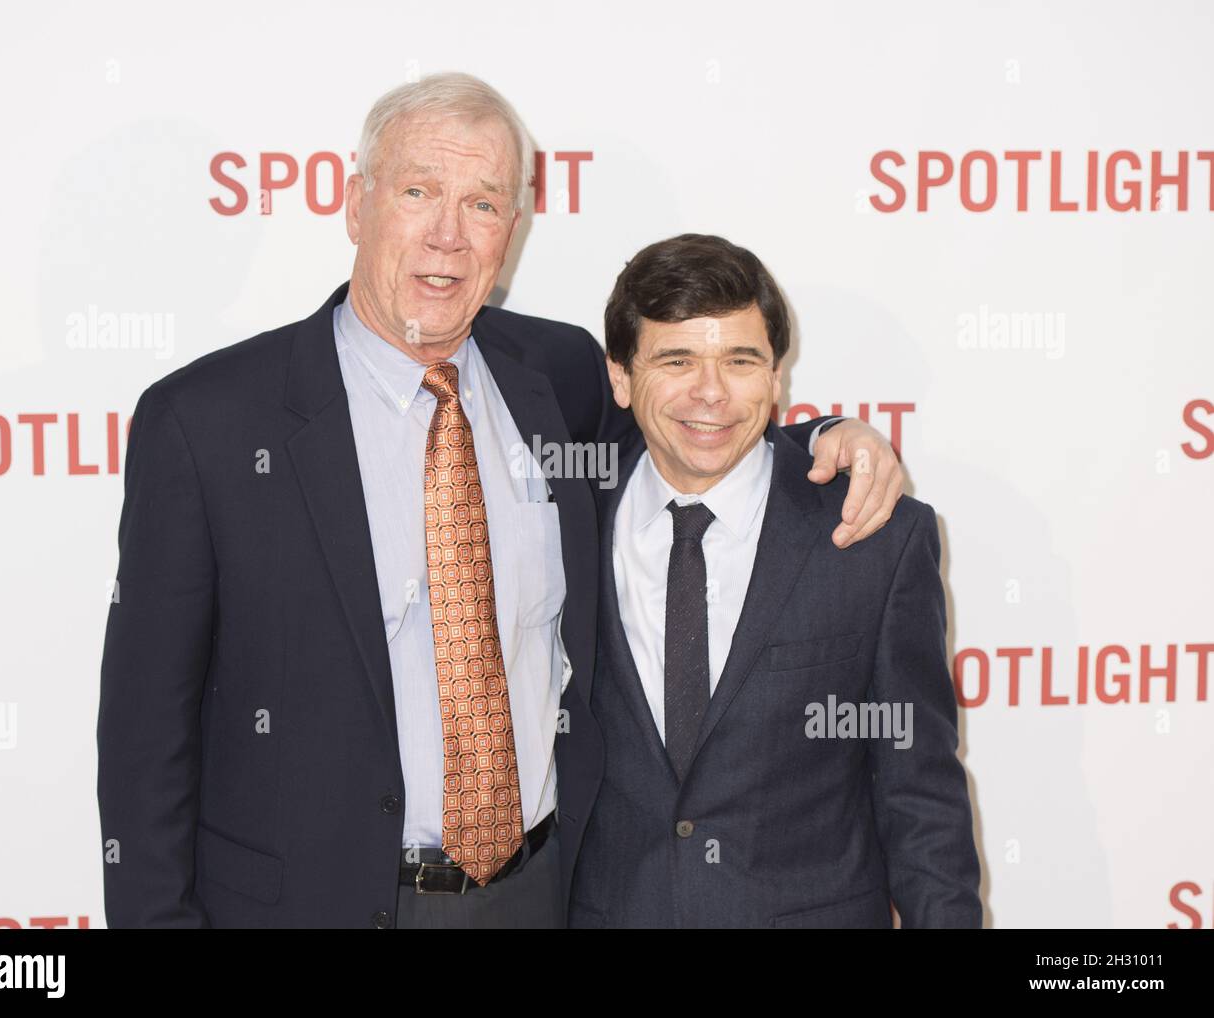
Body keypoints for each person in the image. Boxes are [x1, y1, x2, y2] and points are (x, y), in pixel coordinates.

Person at [96, 72, 905, 929]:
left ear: (511, 232)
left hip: (538, 891)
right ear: (354, 203)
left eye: (483, 204)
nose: (448, 235)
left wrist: (820, 435)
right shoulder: (207, 423)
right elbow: (147, 736)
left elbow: (690, 434)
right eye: (419, 192)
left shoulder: (556, 375)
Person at [569, 233, 982, 928]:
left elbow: (921, 796)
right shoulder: (562, 513)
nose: (711, 392)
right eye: (676, 359)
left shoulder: (872, 535)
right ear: (620, 377)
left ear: (776, 377)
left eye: (741, 360)